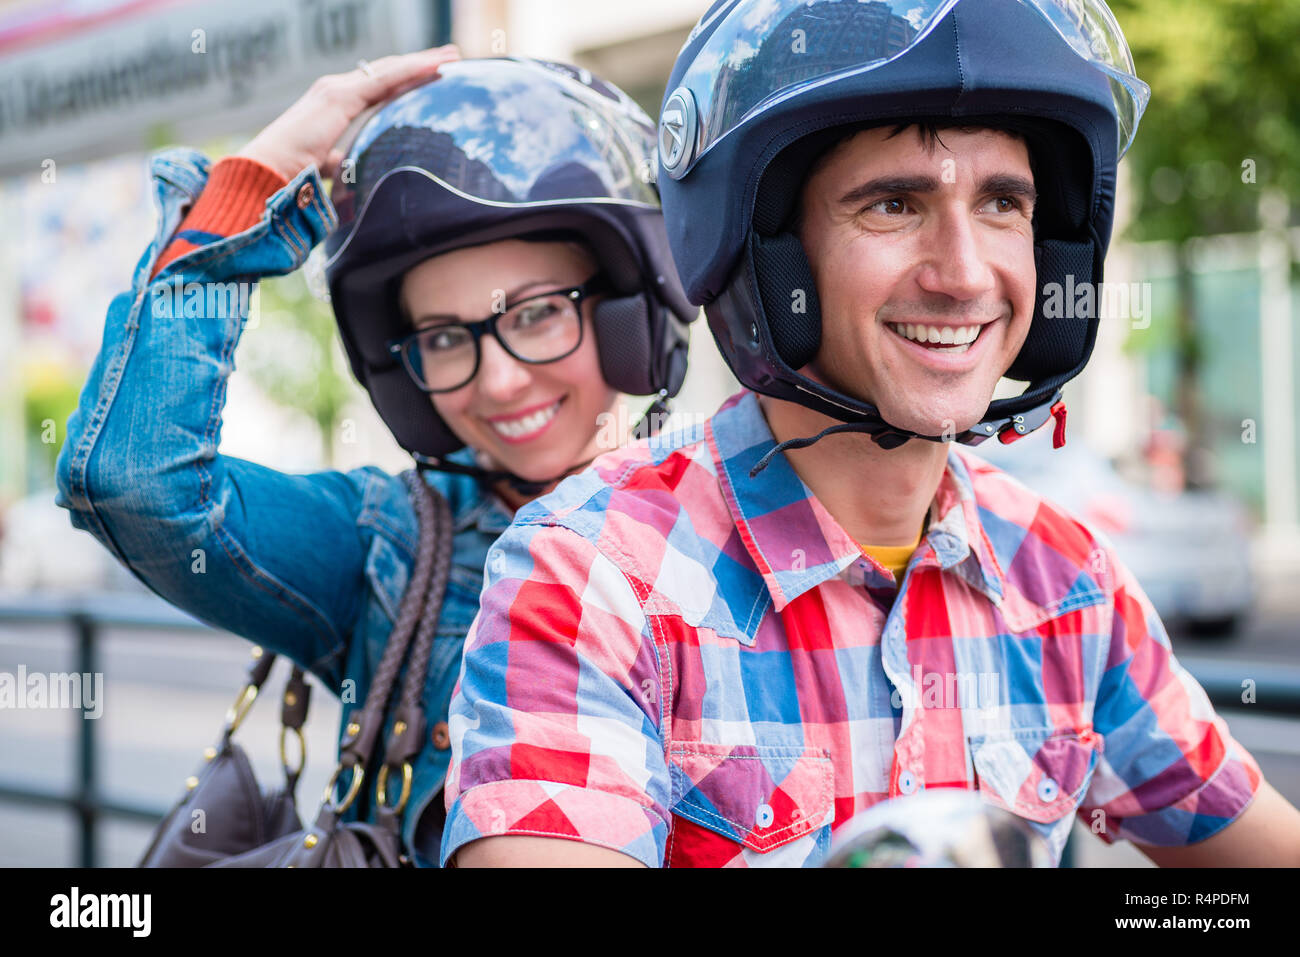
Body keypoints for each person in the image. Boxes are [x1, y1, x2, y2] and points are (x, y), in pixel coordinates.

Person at [443, 0, 1300, 867]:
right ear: (767, 255)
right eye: (894, 204)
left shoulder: (1064, 581)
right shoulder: (595, 573)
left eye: (1003, 202)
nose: (965, 275)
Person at [54, 48, 696, 867]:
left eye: (537, 315)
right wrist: (253, 188)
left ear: (630, 316)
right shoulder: (384, 546)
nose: (498, 380)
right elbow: (134, 479)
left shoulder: (737, 526)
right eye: (443, 337)